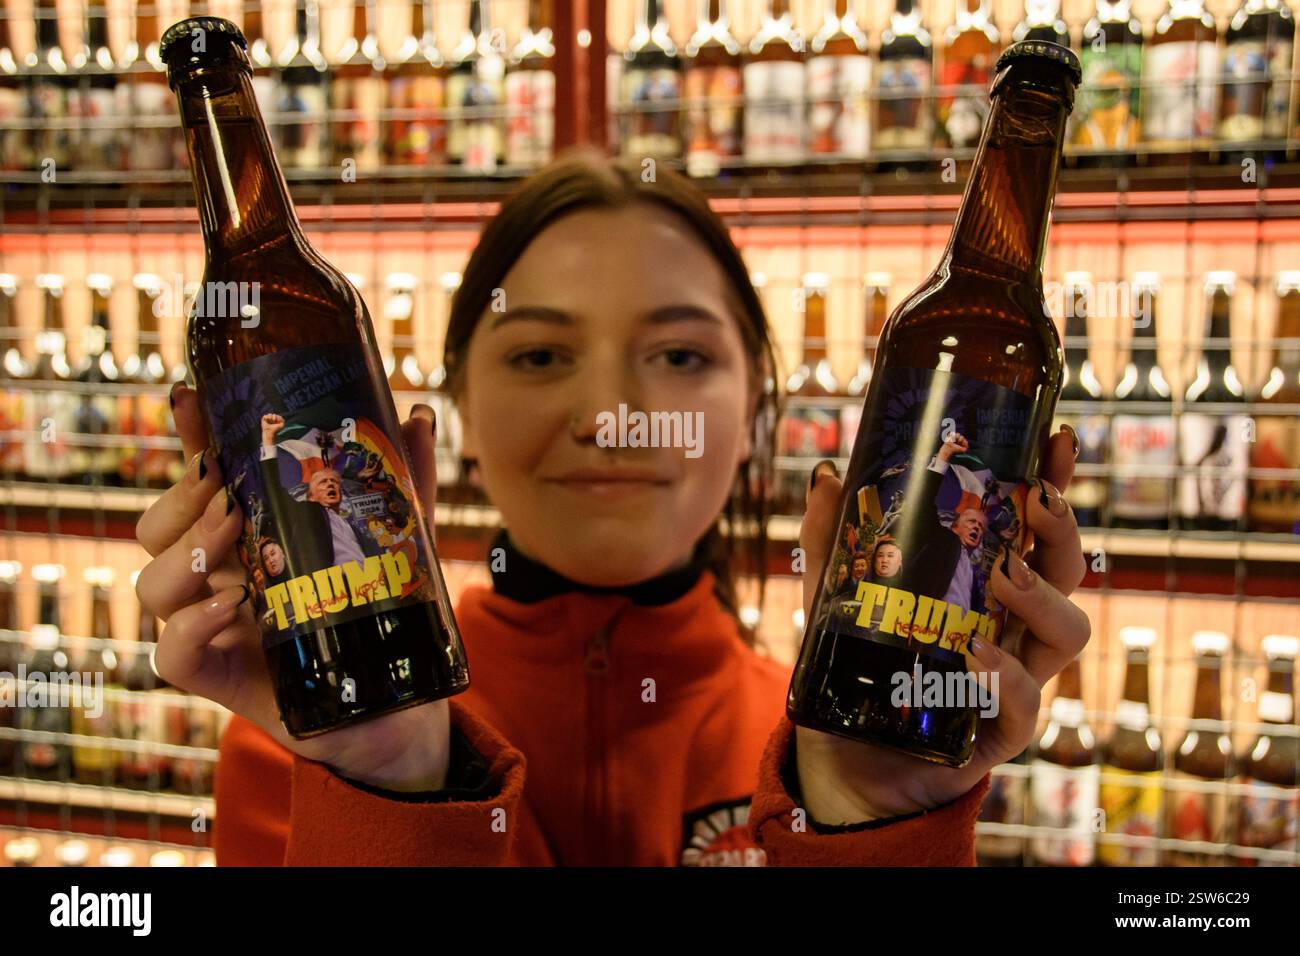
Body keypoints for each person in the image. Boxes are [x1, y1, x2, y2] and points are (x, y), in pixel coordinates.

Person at [133, 150, 1090, 866]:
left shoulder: (858, 743)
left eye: (679, 356)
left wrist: (871, 813)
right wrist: (385, 778)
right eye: (541, 354)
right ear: (448, 403)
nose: (614, 419)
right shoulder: (293, 750)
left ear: (759, 401)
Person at [258, 413, 379, 570]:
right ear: (310, 496)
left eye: (333, 482)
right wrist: (268, 440)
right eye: (323, 482)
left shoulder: (350, 521)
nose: (330, 485)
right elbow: (273, 489)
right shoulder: (307, 513)